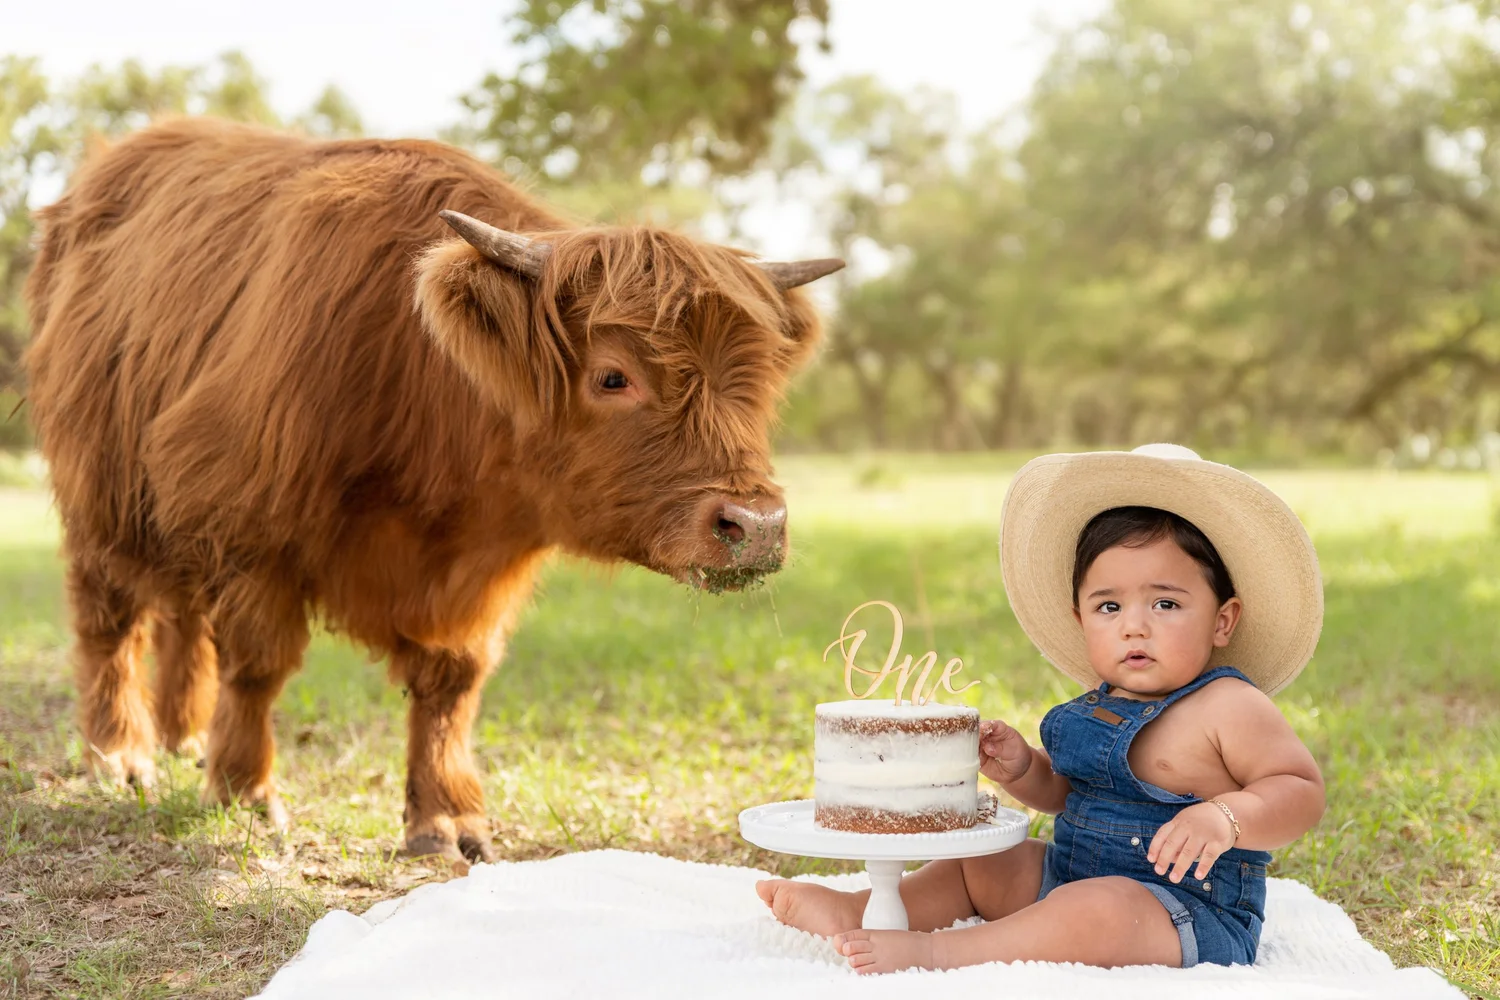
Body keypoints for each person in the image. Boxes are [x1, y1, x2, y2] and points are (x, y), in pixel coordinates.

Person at [756, 444, 1328, 974]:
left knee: (1098, 910)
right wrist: (1025, 770)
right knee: (983, 861)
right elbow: (1065, 794)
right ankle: (863, 909)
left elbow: (1300, 790)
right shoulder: (1097, 708)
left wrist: (1225, 818)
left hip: (1183, 912)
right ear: (1081, 620)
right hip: (1068, 873)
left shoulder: (1229, 705)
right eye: (1109, 605)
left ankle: (938, 951)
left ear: (1222, 620)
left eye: (1165, 602)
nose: (1135, 624)